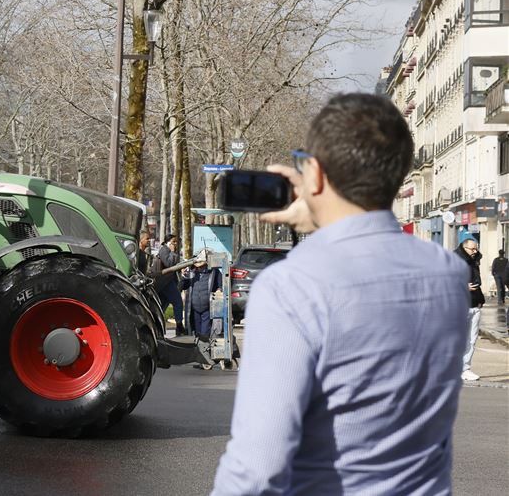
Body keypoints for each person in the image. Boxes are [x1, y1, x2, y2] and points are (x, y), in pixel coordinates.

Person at [211, 93, 470, 496]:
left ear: (313, 175)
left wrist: (318, 216)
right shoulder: (448, 273)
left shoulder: (291, 287)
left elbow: (256, 470)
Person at [455, 238, 484, 381]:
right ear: (464, 247)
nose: (475, 251)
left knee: (471, 340)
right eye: (472, 249)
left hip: (475, 304)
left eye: (476, 248)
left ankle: (465, 368)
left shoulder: (474, 260)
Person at [180, 251, 222, 340]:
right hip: (194, 309)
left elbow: (221, 285)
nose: (199, 266)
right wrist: (184, 276)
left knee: (205, 334)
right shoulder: (191, 273)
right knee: (196, 333)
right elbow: (182, 287)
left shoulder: (214, 272)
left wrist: (219, 290)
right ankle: (198, 351)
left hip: (207, 309)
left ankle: (205, 351)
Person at [155, 234, 186, 334]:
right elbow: (169, 263)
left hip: (168, 282)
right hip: (166, 282)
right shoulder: (164, 250)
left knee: (162, 305)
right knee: (178, 302)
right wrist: (172, 252)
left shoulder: (168, 251)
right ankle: (179, 325)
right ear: (168, 242)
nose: (175, 244)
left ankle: (157, 326)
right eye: (174, 242)